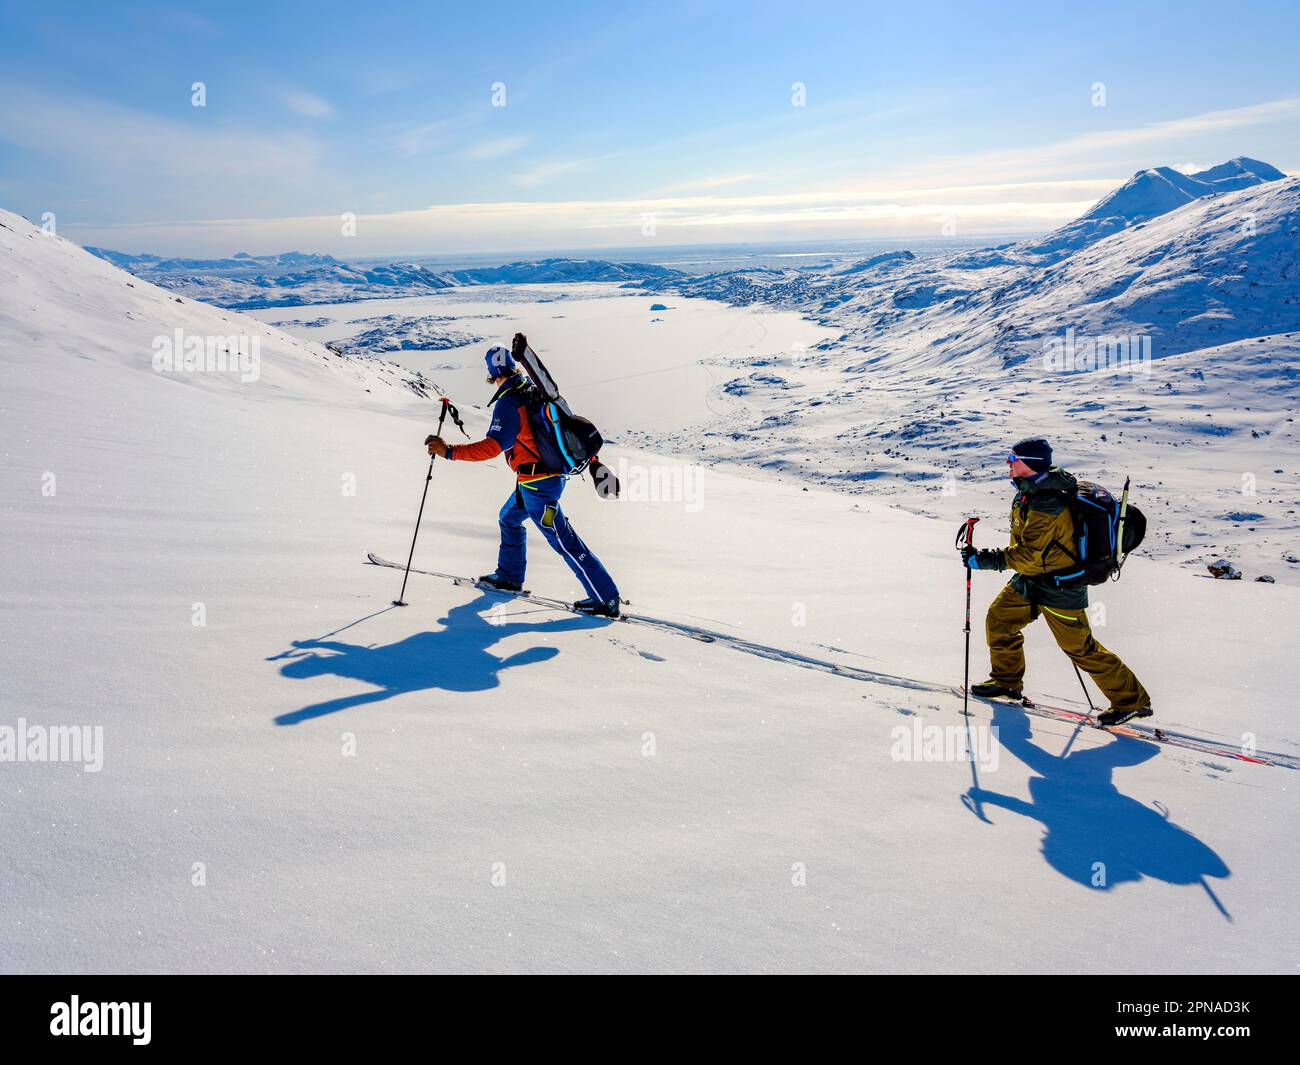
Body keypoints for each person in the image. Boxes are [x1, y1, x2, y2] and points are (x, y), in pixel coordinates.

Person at [960, 437, 1151, 727]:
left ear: (1030, 465)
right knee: (999, 620)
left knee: (1080, 648)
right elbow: (1031, 554)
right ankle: (1007, 682)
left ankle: (1132, 701)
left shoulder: (1046, 504)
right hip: (1033, 578)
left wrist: (984, 560)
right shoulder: (1030, 490)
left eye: (1013, 459)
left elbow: (1028, 555)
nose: (1008, 464)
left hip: (1061, 585)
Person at [424, 344, 622, 618]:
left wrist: (449, 452)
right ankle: (509, 576)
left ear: (493, 374)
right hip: (539, 479)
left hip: (537, 486)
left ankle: (605, 597)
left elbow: (493, 447)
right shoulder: (531, 389)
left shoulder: (509, 402)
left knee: (563, 541)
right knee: (508, 518)